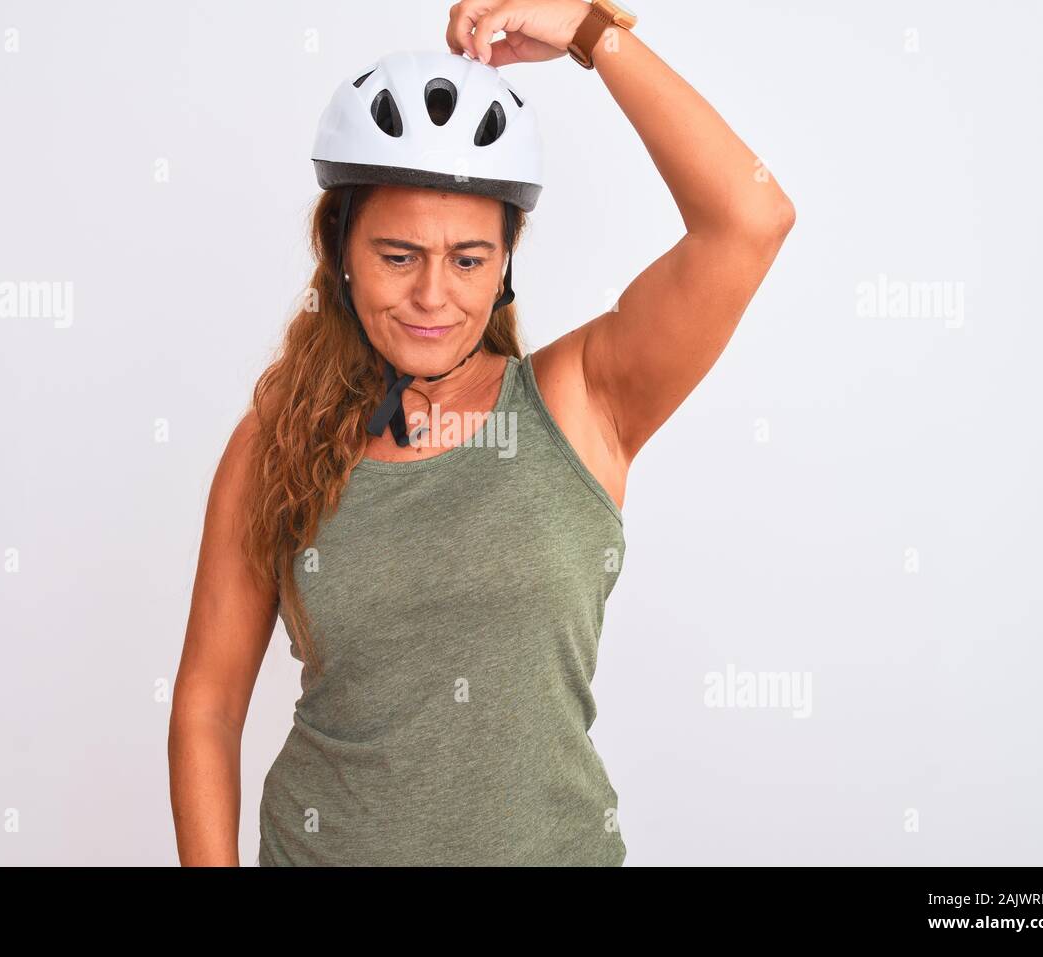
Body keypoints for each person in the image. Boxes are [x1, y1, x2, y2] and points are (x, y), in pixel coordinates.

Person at [169, 0, 794, 866]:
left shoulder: (583, 400)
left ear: (505, 262)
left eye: (468, 258)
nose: (434, 296)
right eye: (398, 255)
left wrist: (590, 30)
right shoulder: (275, 441)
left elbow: (750, 222)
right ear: (340, 250)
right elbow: (207, 703)